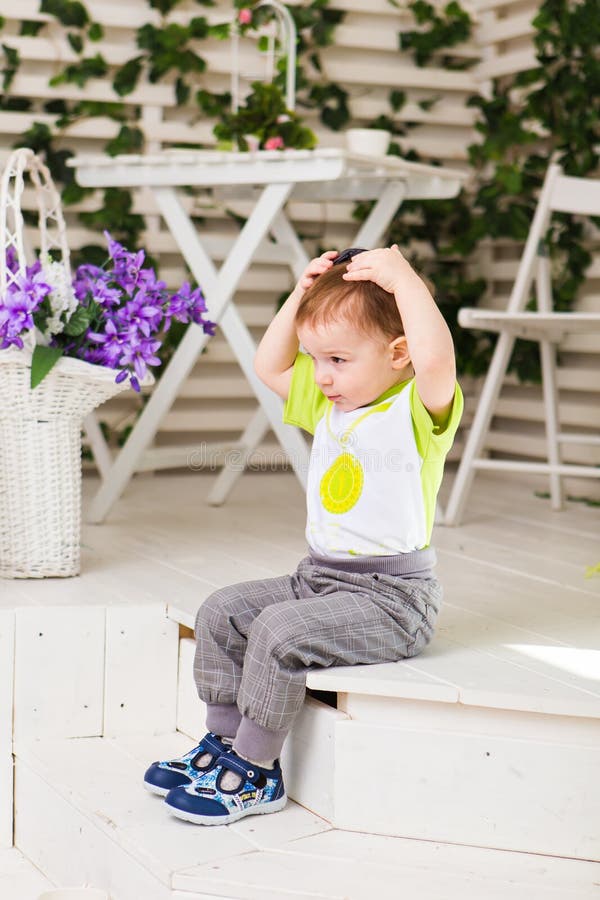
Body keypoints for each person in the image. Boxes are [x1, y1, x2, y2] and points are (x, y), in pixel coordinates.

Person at [143, 245, 463, 826]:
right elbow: (270, 366)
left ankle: (257, 770)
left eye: (337, 358)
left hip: (392, 602)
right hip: (317, 578)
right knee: (221, 610)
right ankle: (221, 745)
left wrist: (404, 278)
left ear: (399, 354)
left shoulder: (417, 409)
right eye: (316, 359)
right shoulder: (331, 403)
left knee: (277, 630)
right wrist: (301, 293)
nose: (321, 375)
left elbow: (437, 359)